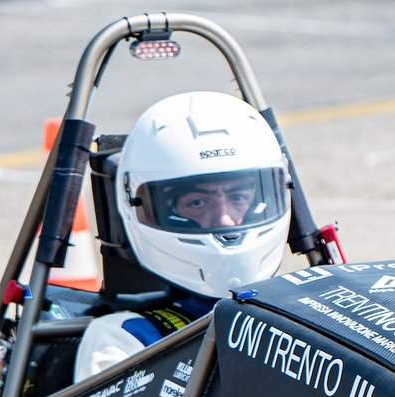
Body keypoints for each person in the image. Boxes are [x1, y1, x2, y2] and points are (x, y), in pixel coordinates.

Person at [73, 90, 291, 381]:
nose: (225, 219)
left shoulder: (299, 314)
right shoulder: (124, 338)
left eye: (238, 197)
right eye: (198, 203)